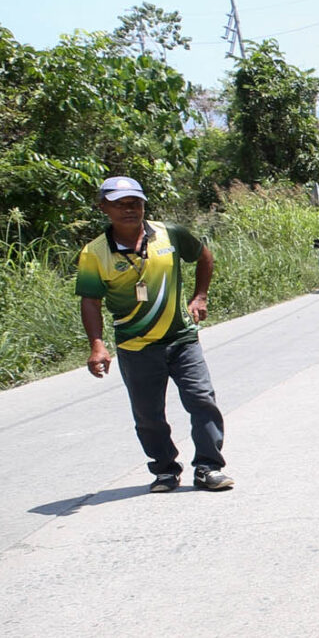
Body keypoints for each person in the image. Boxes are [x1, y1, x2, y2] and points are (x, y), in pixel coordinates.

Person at [78, 176, 232, 493]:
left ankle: (208, 467)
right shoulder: (94, 253)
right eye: (120, 204)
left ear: (144, 204)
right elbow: (90, 301)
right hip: (135, 348)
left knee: (203, 401)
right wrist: (97, 345)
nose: (129, 209)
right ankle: (164, 470)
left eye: (135, 202)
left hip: (182, 340)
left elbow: (204, 256)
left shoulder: (169, 234)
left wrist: (200, 296)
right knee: (148, 415)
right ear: (103, 207)